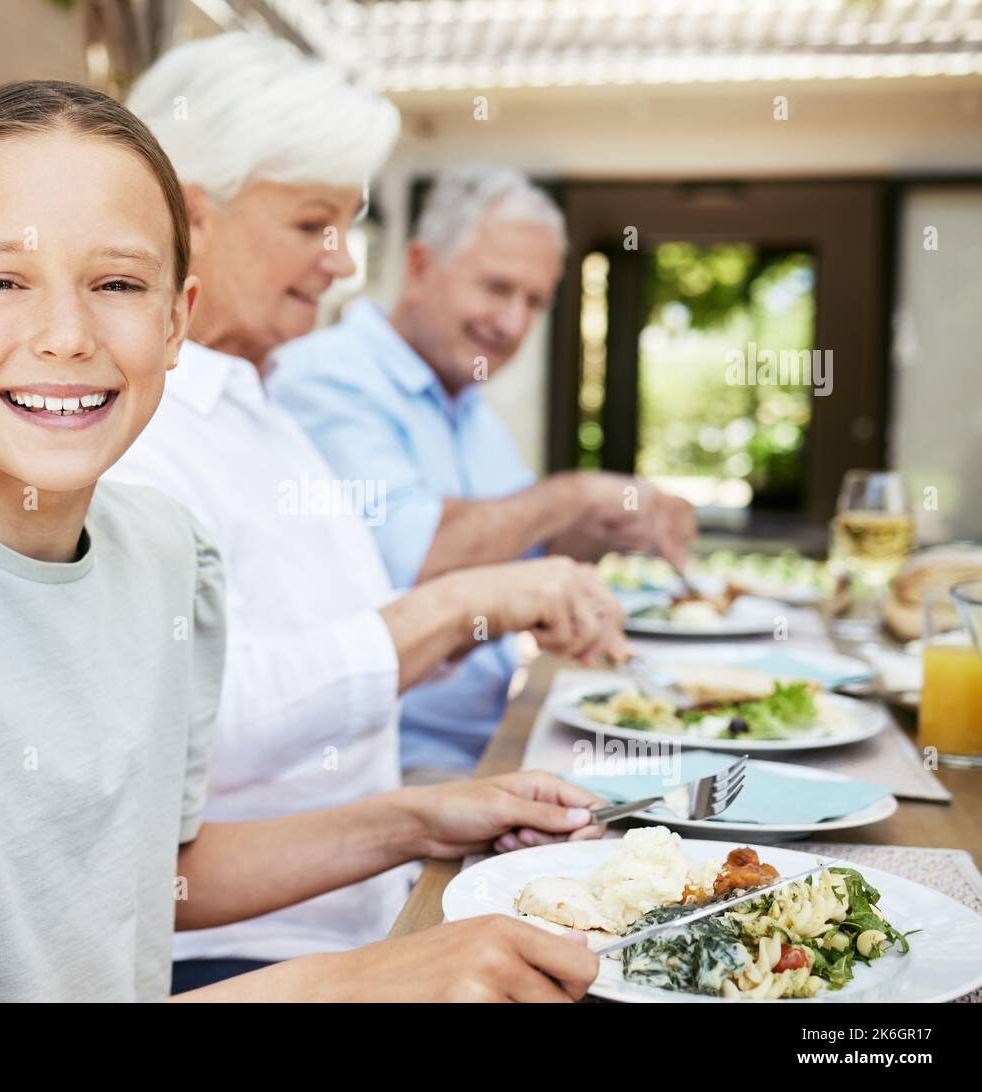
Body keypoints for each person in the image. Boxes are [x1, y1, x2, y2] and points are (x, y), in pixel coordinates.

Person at [0, 80, 601, 1003]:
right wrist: (353, 984)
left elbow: (157, 872)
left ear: (177, 319)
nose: (65, 335)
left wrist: (424, 820)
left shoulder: (165, 554)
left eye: (116, 284)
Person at [102, 34, 628, 992]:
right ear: (190, 216)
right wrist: (463, 603)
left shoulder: (256, 401)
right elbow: (205, 719)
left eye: (350, 226)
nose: (343, 266)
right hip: (238, 956)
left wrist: (440, 796)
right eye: (313, 224)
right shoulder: (134, 429)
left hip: (355, 905)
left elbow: (320, 635)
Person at [272, 164, 697, 779]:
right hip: (396, 762)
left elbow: (523, 545)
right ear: (419, 268)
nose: (514, 325)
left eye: (534, 301)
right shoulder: (327, 379)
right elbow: (422, 553)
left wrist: (613, 523)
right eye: (497, 288)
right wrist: (579, 491)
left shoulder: (465, 399)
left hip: (499, 731)